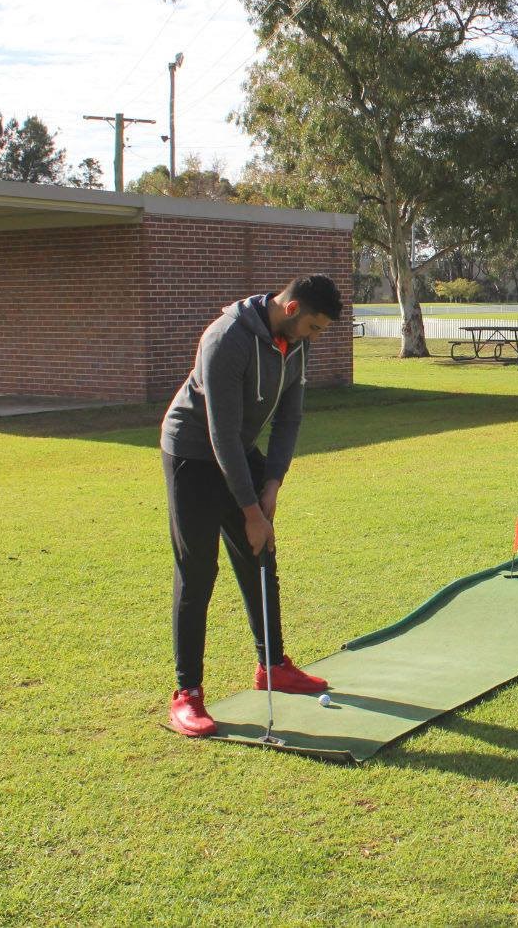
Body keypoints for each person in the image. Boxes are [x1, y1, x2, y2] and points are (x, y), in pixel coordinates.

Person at [160, 274, 342, 737]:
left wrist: (272, 485)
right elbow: (220, 433)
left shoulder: (295, 344)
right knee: (198, 571)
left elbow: (289, 418)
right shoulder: (225, 339)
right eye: (314, 327)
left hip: (238, 452)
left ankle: (272, 665)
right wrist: (251, 512)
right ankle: (187, 693)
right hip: (193, 455)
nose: (315, 338)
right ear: (292, 308)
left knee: (261, 556)